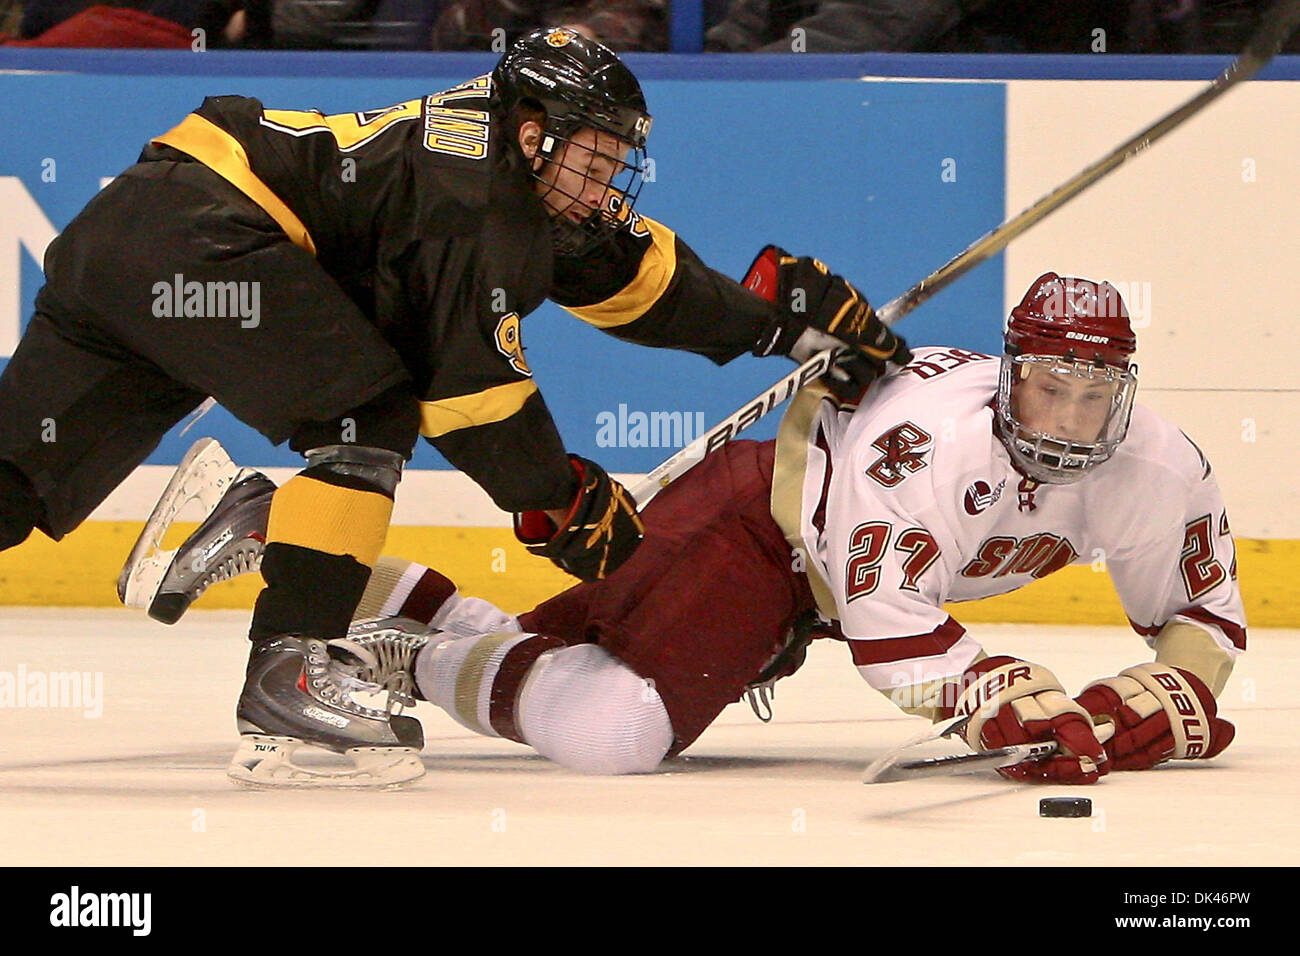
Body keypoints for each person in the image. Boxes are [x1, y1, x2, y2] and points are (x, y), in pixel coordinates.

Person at [0, 27, 909, 785]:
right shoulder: (473, 201)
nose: (603, 188)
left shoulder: (506, 174)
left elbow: (633, 276)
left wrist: (780, 322)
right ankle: (289, 675)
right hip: (204, 239)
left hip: (133, 235)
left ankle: (275, 601)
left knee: (16, 480)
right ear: (533, 134)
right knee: (368, 419)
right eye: (593, 161)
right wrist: (559, 497)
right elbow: (469, 396)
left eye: (615, 165)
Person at [143, 270, 1243, 786]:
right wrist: (987, 688)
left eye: (1096, 394)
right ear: (1012, 377)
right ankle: (388, 632)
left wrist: (1170, 694)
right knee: (611, 729)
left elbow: (1201, 610)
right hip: (756, 531)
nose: (1073, 418)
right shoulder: (929, 442)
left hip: (797, 579)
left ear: (1126, 391)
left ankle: (292, 536)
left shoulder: (1151, 463)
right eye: (1052, 389)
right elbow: (889, 625)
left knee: (547, 654)